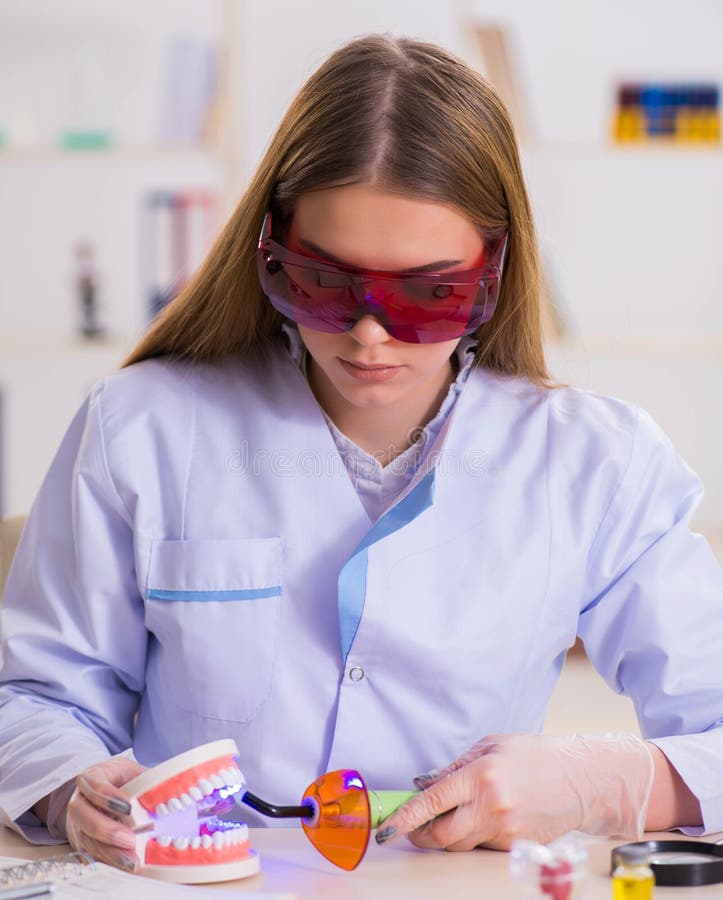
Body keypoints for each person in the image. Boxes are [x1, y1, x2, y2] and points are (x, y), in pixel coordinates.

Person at [1, 33, 722, 873]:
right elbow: (35, 697)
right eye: (325, 283)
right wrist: (71, 787)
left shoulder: (598, 465)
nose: (369, 333)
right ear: (269, 248)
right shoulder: (143, 428)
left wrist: (605, 783)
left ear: (493, 273)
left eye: (426, 292)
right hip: (199, 885)